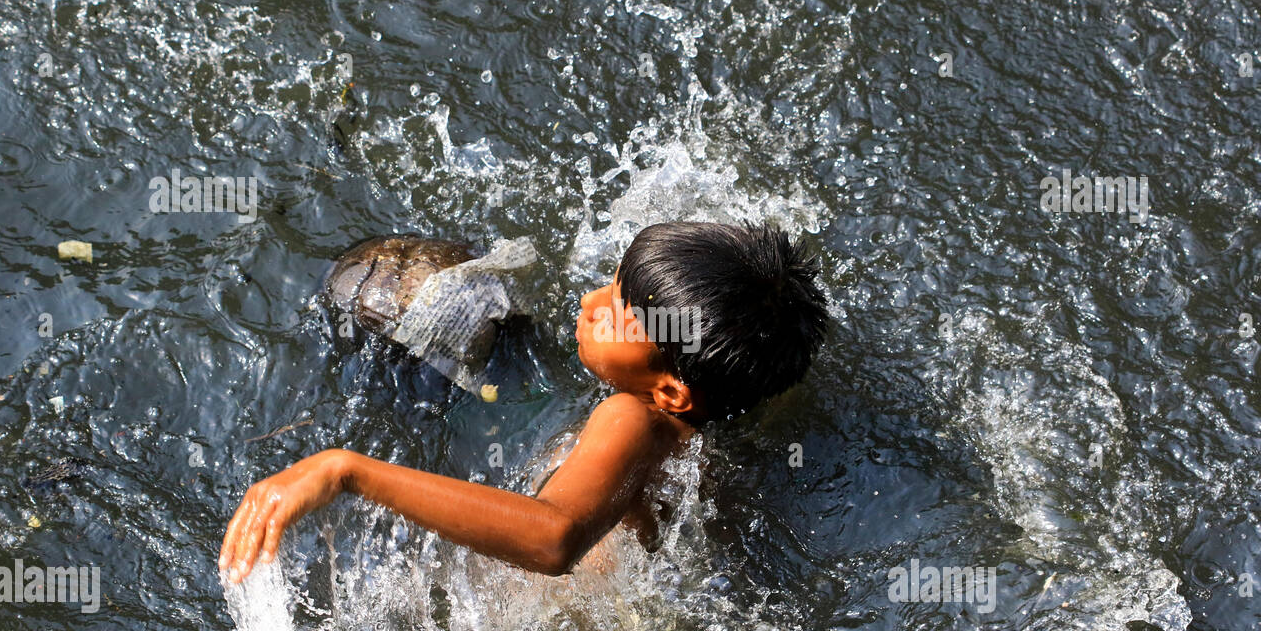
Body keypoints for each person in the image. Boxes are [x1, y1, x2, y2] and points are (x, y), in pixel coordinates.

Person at [219, 221, 828, 582]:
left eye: (618, 313)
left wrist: (347, 471)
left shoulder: (632, 419)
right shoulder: (692, 440)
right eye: (612, 284)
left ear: (670, 389)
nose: (591, 303)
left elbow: (553, 538)